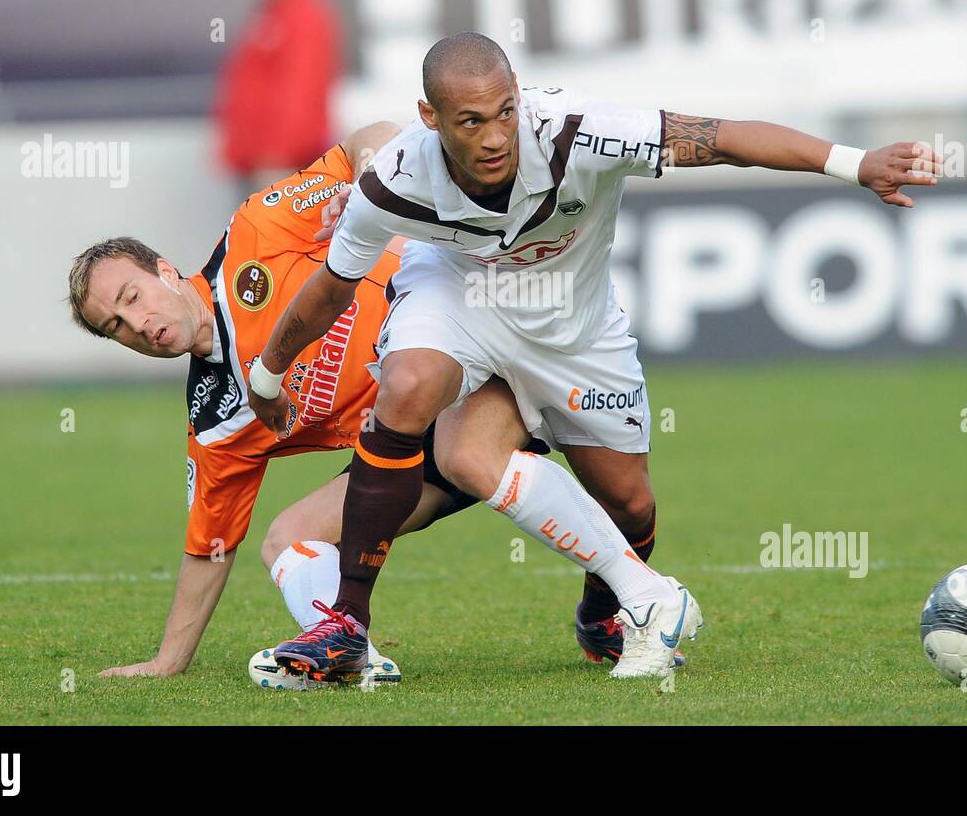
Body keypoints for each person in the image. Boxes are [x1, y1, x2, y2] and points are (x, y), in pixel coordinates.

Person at [248, 32, 942, 682]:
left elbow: (724, 138)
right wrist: (267, 373)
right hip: (461, 300)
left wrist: (855, 164)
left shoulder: (583, 129)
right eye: (469, 122)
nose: (493, 138)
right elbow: (331, 288)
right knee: (413, 387)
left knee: (630, 504)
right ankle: (346, 624)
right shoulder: (395, 178)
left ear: (519, 93)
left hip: (576, 332)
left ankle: (604, 610)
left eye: (504, 113)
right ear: (429, 116)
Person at [67, 122, 685, 686]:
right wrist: (167, 662)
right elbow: (209, 548)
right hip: (413, 441)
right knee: (288, 540)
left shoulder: (256, 233)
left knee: (627, 502)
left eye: (132, 296)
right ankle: (348, 647)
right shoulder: (217, 421)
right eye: (116, 325)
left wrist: (364, 186)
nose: (137, 322)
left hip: (476, 327)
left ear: (164, 270)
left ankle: (622, 602)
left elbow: (377, 137)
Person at [215, 0, 340, 191]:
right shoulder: (272, 13)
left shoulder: (301, 15)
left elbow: (300, 87)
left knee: (275, 225)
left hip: (281, 159)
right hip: (257, 154)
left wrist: (280, 149)